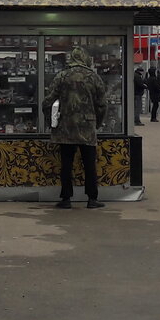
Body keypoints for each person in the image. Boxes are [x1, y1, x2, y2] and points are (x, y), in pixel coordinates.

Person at [42, 47, 108, 209]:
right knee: (89, 164)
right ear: (85, 58)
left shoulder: (62, 76)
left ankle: (66, 199)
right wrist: (97, 123)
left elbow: (48, 101)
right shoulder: (93, 77)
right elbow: (102, 105)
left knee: (66, 164)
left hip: (66, 127)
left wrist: (50, 122)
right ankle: (92, 199)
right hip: (88, 127)